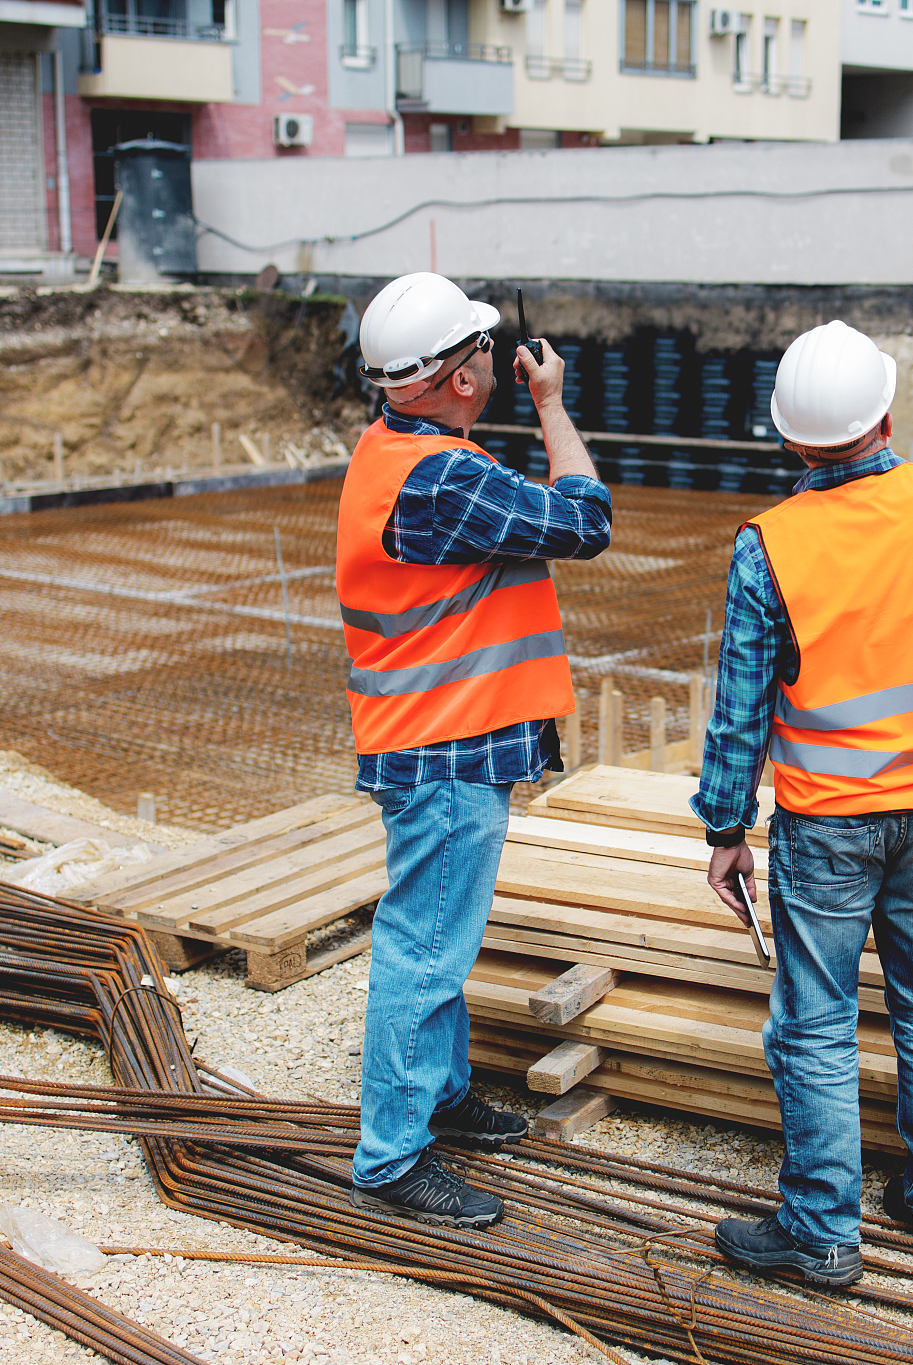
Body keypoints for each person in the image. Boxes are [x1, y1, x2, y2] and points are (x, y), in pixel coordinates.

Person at [694, 320, 913, 1286]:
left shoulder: (773, 546)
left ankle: (822, 1233)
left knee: (817, 1023)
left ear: (792, 439)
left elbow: (741, 710)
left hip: (828, 825)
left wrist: (726, 828)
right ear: (886, 411)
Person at [338, 272, 608, 1228]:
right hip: (444, 751)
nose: (498, 357)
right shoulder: (446, 476)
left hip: (427, 740)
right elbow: (586, 519)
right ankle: (392, 1156)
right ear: (459, 376)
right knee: (424, 950)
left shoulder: (396, 449)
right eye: (483, 347)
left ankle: (441, 1097)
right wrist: (552, 406)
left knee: (439, 936)